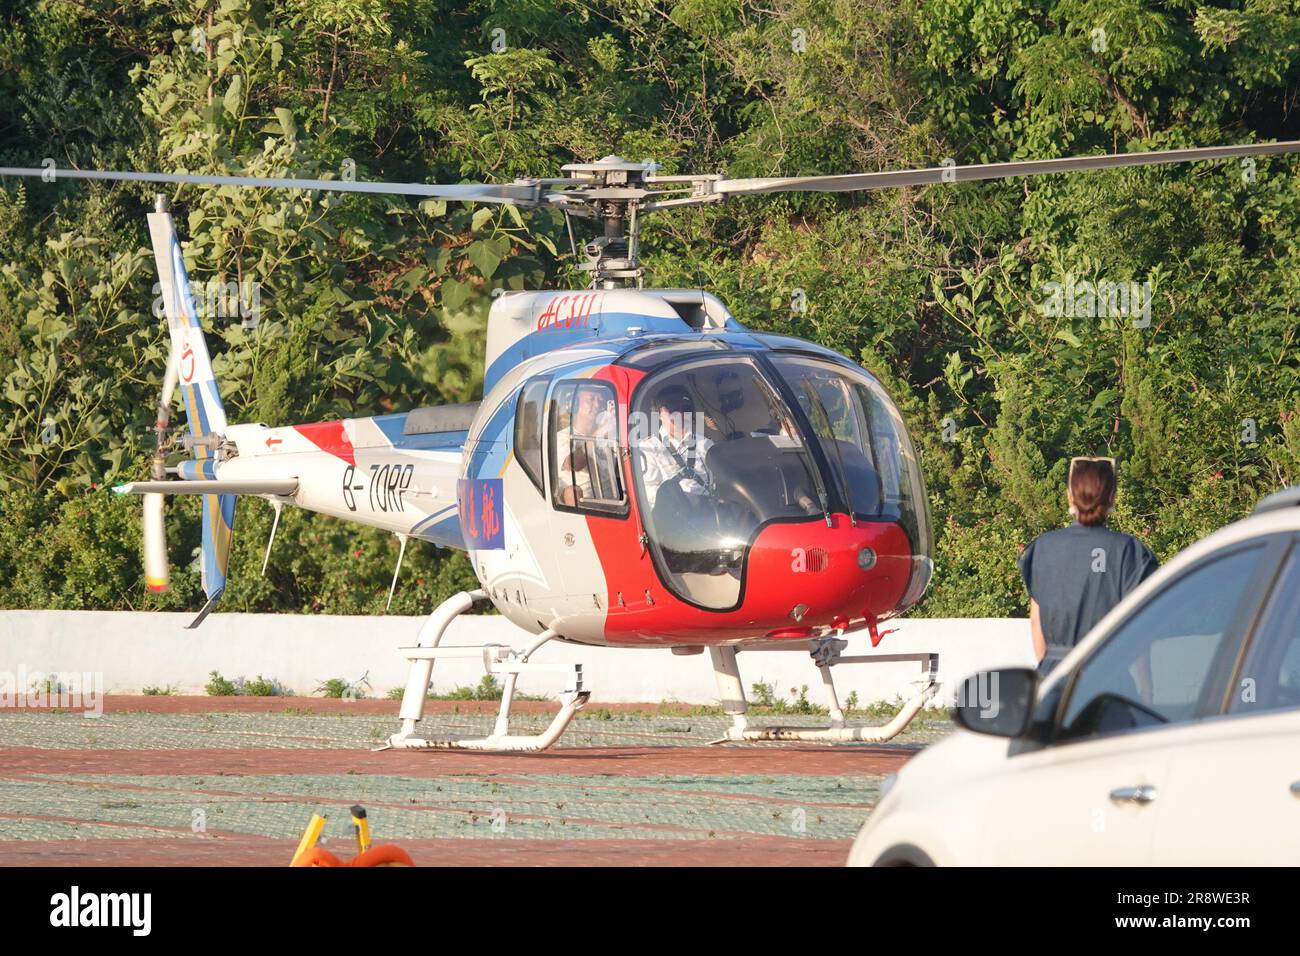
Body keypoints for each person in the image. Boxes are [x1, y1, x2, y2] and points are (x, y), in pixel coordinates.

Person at [1018, 457, 1158, 677]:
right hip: (1108, 679)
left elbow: (1036, 621)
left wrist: (1050, 677)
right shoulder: (1130, 552)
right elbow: (1140, 631)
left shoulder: (1043, 548)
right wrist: (1146, 692)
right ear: (1112, 497)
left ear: (1069, 496)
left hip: (1054, 676)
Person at [636, 384, 714, 510]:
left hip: (710, 513)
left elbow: (718, 482)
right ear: (659, 413)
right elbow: (649, 493)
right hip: (675, 518)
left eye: (686, 408)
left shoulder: (706, 444)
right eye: (674, 409)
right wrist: (684, 500)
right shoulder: (648, 448)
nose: (681, 414)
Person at [554, 384, 617, 506]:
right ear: (574, 404)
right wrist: (599, 433)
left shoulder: (608, 436)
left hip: (614, 504)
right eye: (591, 399)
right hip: (586, 507)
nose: (597, 405)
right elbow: (572, 464)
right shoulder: (562, 437)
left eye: (600, 401)